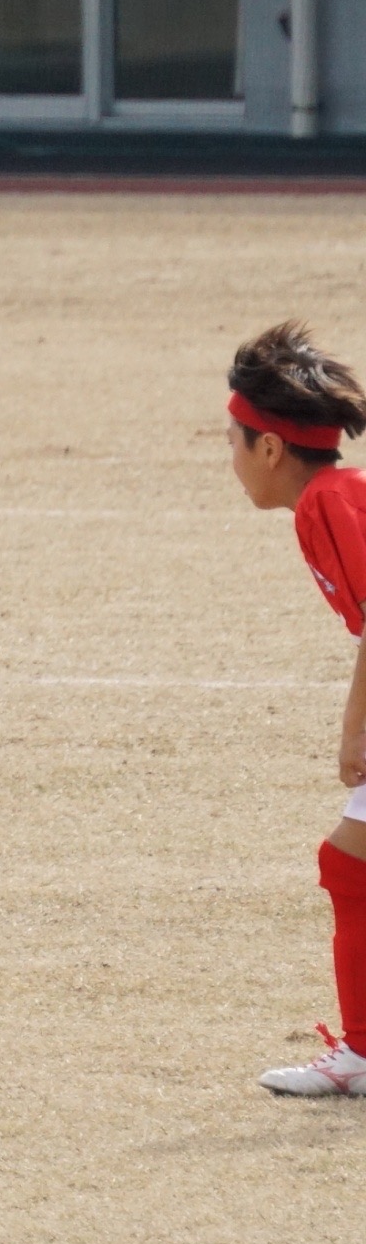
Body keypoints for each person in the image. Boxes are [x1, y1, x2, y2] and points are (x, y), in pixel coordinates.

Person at [224, 321, 366, 1096]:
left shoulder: (329, 502)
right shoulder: (336, 498)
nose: (234, 460)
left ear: (270, 449)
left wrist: (353, 729)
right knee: (350, 862)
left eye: (236, 441)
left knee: (349, 862)